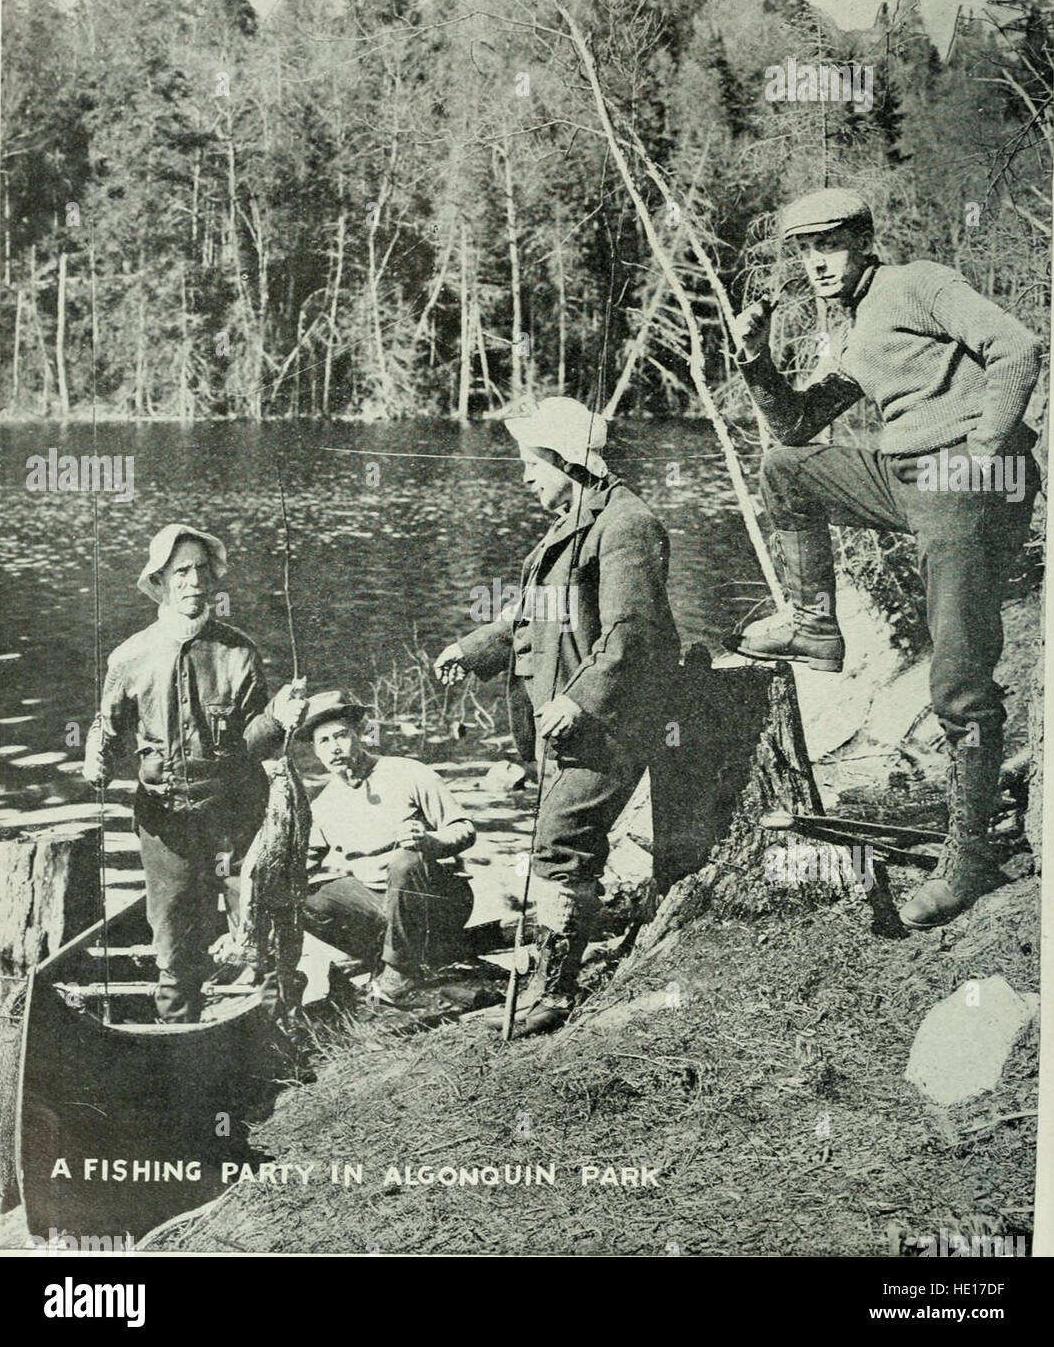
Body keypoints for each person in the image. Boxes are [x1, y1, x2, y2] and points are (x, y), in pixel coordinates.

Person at [730, 187, 1043, 930]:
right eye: (807, 252)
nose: (818, 264)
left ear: (865, 241)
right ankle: (814, 624)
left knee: (959, 677)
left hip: (967, 480)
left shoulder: (919, 283)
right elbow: (800, 423)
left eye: (831, 246)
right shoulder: (851, 326)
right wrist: (756, 363)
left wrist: (985, 449)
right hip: (909, 478)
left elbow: (1019, 348)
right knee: (785, 466)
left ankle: (968, 862)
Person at [434, 397, 681, 1035]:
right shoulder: (569, 526)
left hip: (612, 723)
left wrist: (580, 697)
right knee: (557, 844)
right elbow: (530, 618)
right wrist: (472, 650)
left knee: (560, 844)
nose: (524, 476)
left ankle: (555, 990)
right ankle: (550, 975)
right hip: (569, 725)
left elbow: (634, 632)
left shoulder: (625, 523)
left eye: (531, 462)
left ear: (565, 459)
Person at [82, 523, 307, 1022]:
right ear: (158, 581)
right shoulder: (130, 656)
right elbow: (110, 730)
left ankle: (279, 1033)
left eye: (202, 571)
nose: (193, 582)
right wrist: (94, 755)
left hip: (236, 815)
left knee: (260, 923)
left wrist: (278, 718)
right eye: (180, 571)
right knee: (175, 931)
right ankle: (178, 1037)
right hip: (165, 824)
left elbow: (253, 743)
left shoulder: (239, 650)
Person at [301, 690, 477, 1007]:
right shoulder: (324, 804)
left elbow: (464, 829)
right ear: (315, 751)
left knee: (406, 860)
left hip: (438, 901)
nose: (334, 748)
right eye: (323, 742)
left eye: (341, 736)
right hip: (378, 905)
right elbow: (302, 864)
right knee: (303, 899)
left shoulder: (407, 772)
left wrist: (431, 842)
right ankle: (383, 960)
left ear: (360, 734)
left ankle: (399, 973)